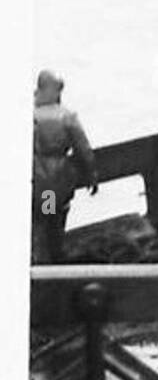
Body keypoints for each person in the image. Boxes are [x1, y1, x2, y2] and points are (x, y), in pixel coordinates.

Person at [32, 70, 97, 263]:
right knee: (52, 219)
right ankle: (52, 260)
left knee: (43, 218)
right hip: (53, 179)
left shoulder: (30, 115)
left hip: (39, 176)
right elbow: (83, 149)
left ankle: (43, 258)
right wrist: (92, 175)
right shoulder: (67, 116)